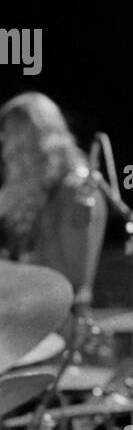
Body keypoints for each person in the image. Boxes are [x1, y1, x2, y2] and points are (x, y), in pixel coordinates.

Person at [0, 93, 106, 306]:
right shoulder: (25, 190)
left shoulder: (75, 191)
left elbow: (71, 281)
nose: (8, 153)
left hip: (61, 326)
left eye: (19, 146)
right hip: (24, 321)